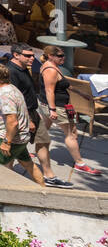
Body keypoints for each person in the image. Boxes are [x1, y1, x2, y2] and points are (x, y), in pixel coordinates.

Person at [8, 47, 70, 187]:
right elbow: (14, 99)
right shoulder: (11, 72)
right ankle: (4, 174)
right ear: (16, 55)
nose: (32, 58)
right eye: (28, 56)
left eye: (32, 55)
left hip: (33, 112)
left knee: (43, 141)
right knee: (11, 147)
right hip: (23, 115)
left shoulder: (23, 69)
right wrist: (28, 119)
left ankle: (49, 176)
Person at [41, 45, 101, 176]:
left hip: (55, 105)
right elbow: (49, 90)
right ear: (51, 56)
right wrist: (52, 109)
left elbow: (63, 84)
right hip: (57, 106)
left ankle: (26, 148)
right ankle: (80, 163)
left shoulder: (54, 67)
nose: (64, 58)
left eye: (64, 55)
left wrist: (81, 93)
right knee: (71, 134)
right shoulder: (50, 70)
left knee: (43, 129)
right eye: (60, 56)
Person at [0, 63, 44, 185]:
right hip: (21, 136)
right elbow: (21, 109)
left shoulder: (4, 94)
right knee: (28, 164)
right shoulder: (12, 88)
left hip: (10, 137)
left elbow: (12, 120)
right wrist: (29, 122)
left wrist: (7, 142)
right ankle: (44, 190)